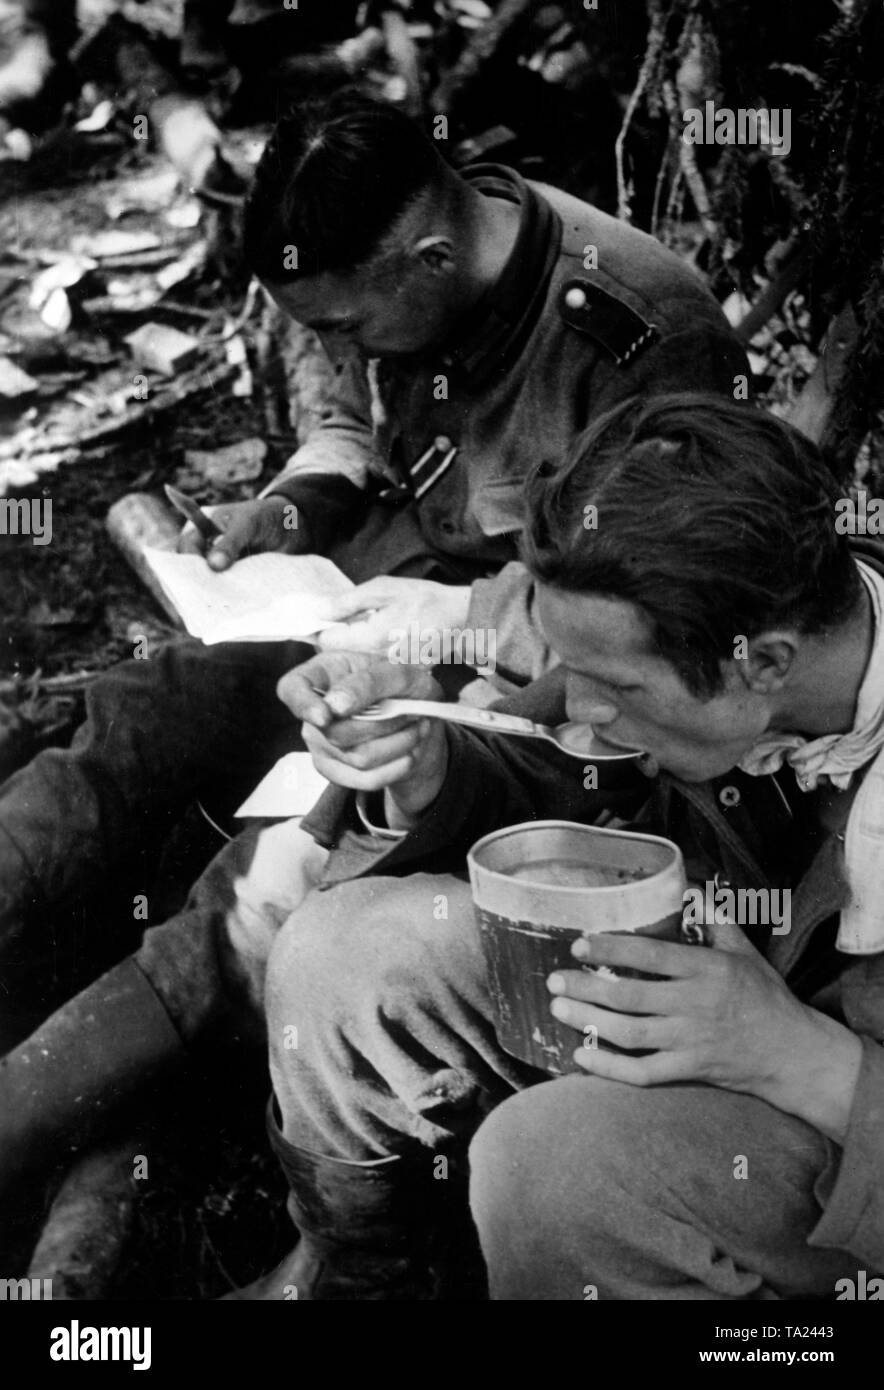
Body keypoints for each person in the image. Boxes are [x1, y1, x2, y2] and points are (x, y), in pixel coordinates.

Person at [0, 89, 746, 1036]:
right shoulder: (404, 262)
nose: (328, 348)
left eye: (343, 328)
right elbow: (353, 423)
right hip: (348, 599)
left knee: (278, 864)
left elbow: (660, 597)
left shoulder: (637, 335)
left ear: (432, 263)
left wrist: (463, 621)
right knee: (143, 716)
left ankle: (50, 1107)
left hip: (512, 678)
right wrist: (286, 508)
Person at [203, 391, 881, 1299]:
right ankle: (359, 1277)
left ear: (764, 663)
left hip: (846, 1143)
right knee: (345, 953)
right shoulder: (710, 618)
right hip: (708, 1008)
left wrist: (796, 1054)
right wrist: (429, 761)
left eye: (616, 687)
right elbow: (562, 763)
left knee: (551, 1170)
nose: (583, 707)